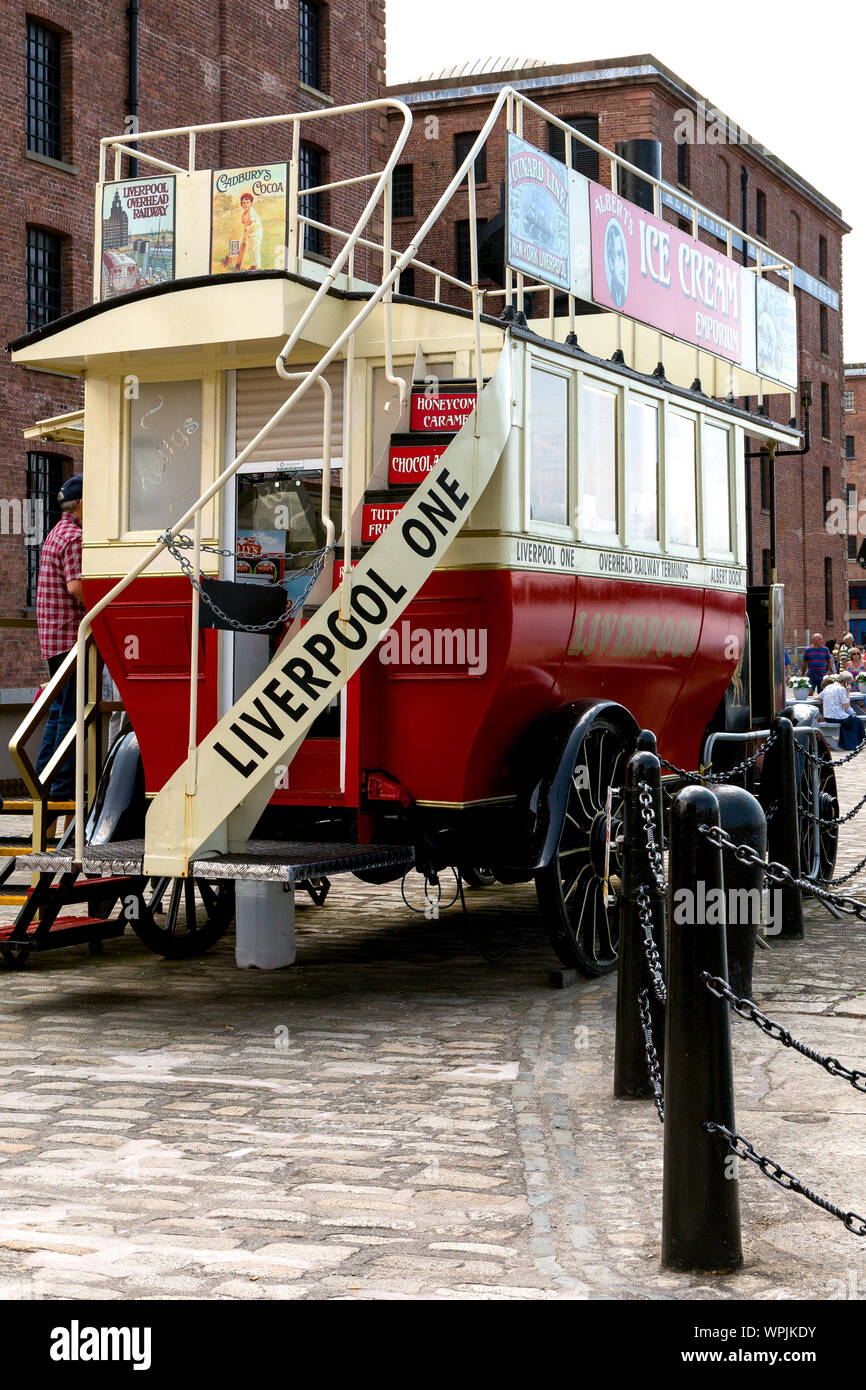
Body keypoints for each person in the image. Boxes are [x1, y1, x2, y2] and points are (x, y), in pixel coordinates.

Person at [35, 474, 85, 799]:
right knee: (72, 711)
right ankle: (61, 790)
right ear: (82, 503)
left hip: (53, 639)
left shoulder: (55, 533)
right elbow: (76, 586)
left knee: (58, 710)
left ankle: (42, 782)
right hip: (70, 636)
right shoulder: (75, 536)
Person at [822, 672, 864, 751]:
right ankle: (853, 744)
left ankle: (853, 743)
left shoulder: (829, 686)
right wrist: (848, 692)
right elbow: (846, 705)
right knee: (856, 720)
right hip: (837, 717)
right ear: (846, 683)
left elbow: (819, 697)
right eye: (849, 683)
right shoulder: (841, 689)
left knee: (852, 719)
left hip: (827, 717)